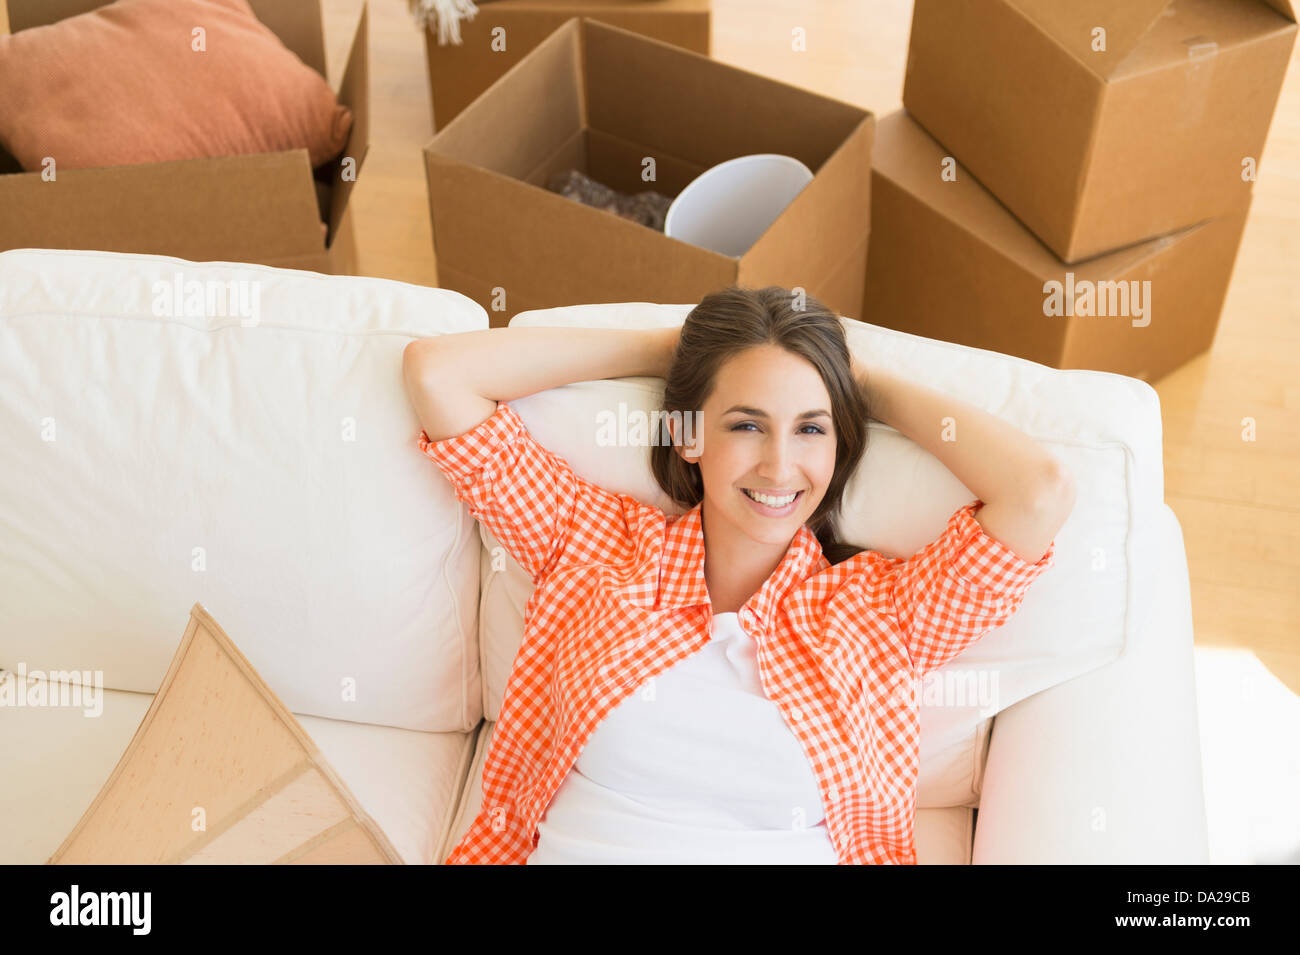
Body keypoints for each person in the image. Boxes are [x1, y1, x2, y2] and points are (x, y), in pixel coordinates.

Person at [402, 285, 1075, 864]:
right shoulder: (592, 544)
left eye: (811, 429)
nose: (780, 467)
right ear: (689, 435)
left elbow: (1037, 492)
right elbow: (437, 374)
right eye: (748, 425)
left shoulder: (879, 615)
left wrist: (858, 383)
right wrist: (670, 351)